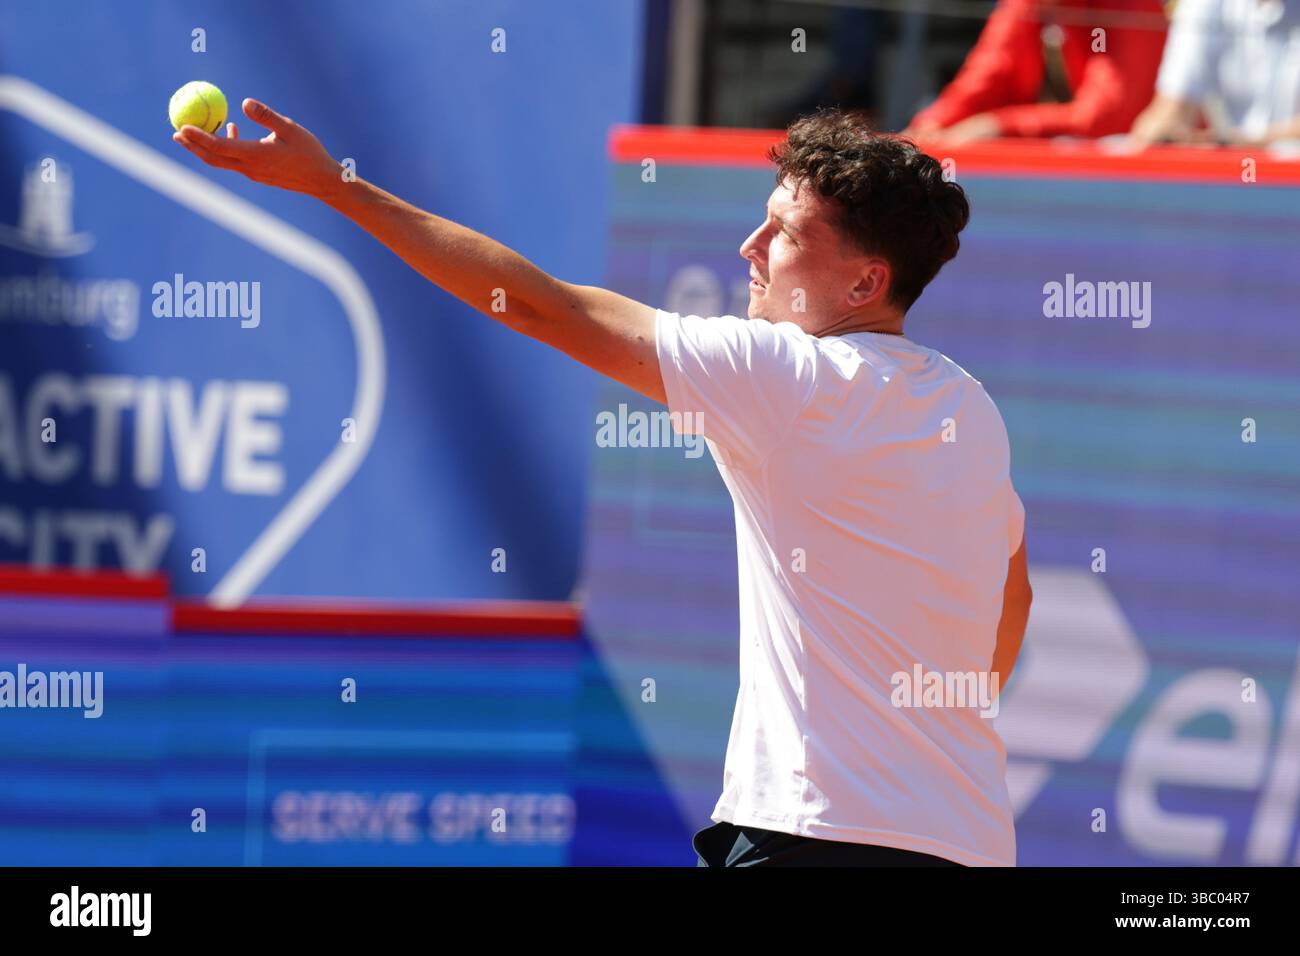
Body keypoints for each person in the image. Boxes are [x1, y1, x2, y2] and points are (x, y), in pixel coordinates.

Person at [173, 102, 1033, 867]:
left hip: (816, 837)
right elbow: (1014, 597)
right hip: (968, 841)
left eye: (786, 233)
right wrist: (920, 737)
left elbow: (546, 308)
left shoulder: (787, 375)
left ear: (865, 282)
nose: (751, 249)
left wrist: (337, 188)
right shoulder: (971, 409)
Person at [905, 0, 1168, 143]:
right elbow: (987, 72)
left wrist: (998, 125)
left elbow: (1103, 118)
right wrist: (932, 124)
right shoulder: (1026, 5)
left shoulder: (1132, 6)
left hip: (1143, 174)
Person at [1129, 0, 1300, 146]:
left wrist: (1237, 144)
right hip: (1234, 173)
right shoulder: (1205, 5)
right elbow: (1172, 107)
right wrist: (1163, 133)